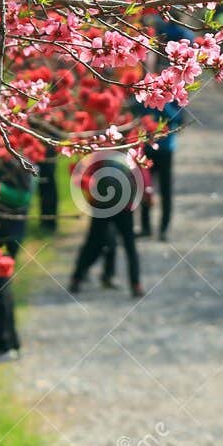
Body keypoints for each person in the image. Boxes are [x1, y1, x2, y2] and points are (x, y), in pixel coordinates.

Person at [69, 151, 145, 297]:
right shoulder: (131, 150)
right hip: (123, 206)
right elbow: (142, 175)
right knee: (129, 245)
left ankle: (77, 278)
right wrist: (147, 193)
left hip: (102, 205)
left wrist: (93, 187)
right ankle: (135, 284)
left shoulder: (100, 152)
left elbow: (80, 175)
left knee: (93, 242)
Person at [0, 154, 34, 363]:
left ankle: (3, 344)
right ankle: (10, 342)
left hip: (6, 234)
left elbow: (23, 198)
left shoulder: (18, 160)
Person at [138, 99, 183, 240]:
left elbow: (178, 118)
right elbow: (140, 114)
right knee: (145, 187)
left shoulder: (173, 97)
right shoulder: (147, 95)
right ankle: (145, 227)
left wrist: (163, 102)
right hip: (147, 148)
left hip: (165, 150)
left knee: (165, 190)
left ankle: (164, 229)